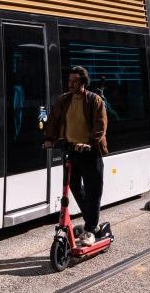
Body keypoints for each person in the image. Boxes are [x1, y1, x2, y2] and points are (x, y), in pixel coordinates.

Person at [44, 65, 108, 247]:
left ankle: (90, 229)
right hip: (72, 151)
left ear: (83, 82)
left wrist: (89, 143)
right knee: (72, 185)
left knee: (93, 190)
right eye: (69, 81)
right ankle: (91, 222)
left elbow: (100, 125)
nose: (70, 84)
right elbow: (53, 120)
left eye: (75, 81)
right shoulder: (64, 100)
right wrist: (49, 138)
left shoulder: (94, 100)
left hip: (90, 151)